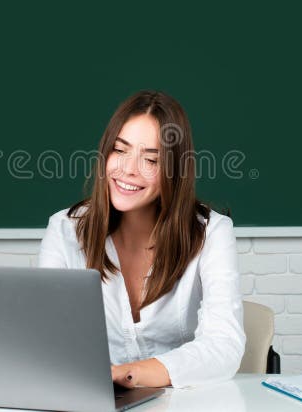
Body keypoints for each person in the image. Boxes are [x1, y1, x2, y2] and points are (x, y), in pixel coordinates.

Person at [39, 90, 245, 389]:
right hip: (91, 399)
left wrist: (125, 374)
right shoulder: (64, 230)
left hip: (182, 402)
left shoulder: (212, 233)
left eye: (150, 159)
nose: (128, 170)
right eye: (119, 151)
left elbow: (224, 346)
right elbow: (48, 337)